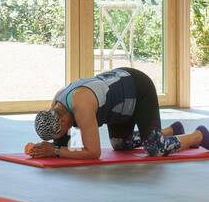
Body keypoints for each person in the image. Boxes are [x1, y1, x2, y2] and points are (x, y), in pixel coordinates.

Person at [25, 67, 209, 160]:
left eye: (61, 131)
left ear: (64, 120)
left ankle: (198, 135)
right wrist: (49, 148)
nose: (62, 135)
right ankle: (170, 130)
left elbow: (93, 152)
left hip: (138, 89)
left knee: (154, 148)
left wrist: (55, 151)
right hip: (119, 103)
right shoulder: (57, 104)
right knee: (121, 145)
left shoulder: (81, 106)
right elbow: (66, 142)